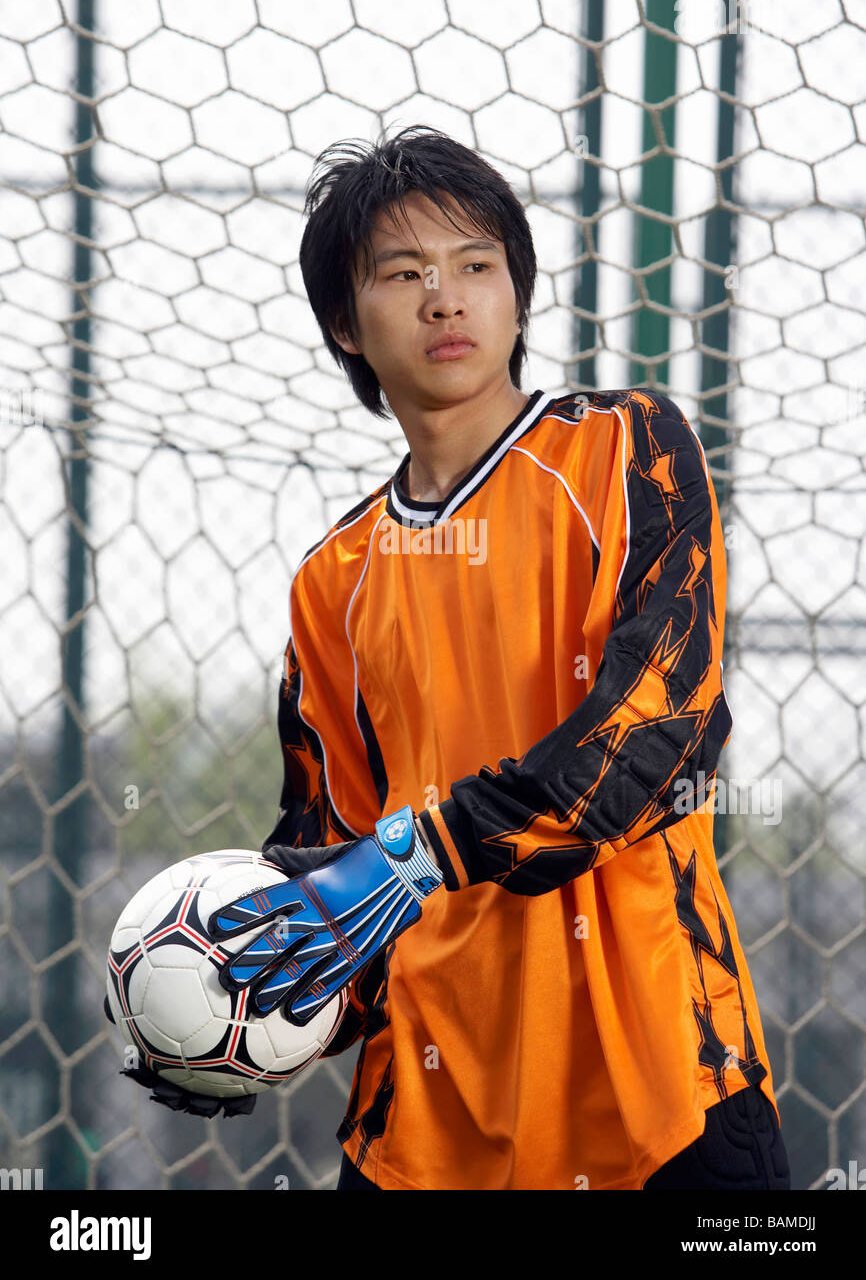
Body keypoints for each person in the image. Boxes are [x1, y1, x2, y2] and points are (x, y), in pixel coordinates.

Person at [145, 123, 792, 1191]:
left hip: (665, 1094)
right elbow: (334, 862)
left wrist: (420, 851)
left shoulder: (624, 448)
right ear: (346, 326)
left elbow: (650, 737)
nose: (444, 298)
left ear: (515, 295)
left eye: (474, 266)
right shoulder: (333, 580)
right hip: (422, 1135)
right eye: (404, 274)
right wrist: (231, 1003)